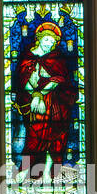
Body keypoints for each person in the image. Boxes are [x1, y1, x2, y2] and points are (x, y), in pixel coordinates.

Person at [13, 22, 77, 183]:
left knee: (54, 138)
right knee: (34, 137)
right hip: (33, 105)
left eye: (52, 41)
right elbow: (22, 79)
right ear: (39, 39)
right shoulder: (27, 56)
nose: (49, 44)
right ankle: (26, 169)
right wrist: (34, 94)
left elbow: (58, 79)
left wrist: (40, 94)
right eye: (47, 40)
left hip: (55, 105)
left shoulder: (56, 58)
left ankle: (49, 170)